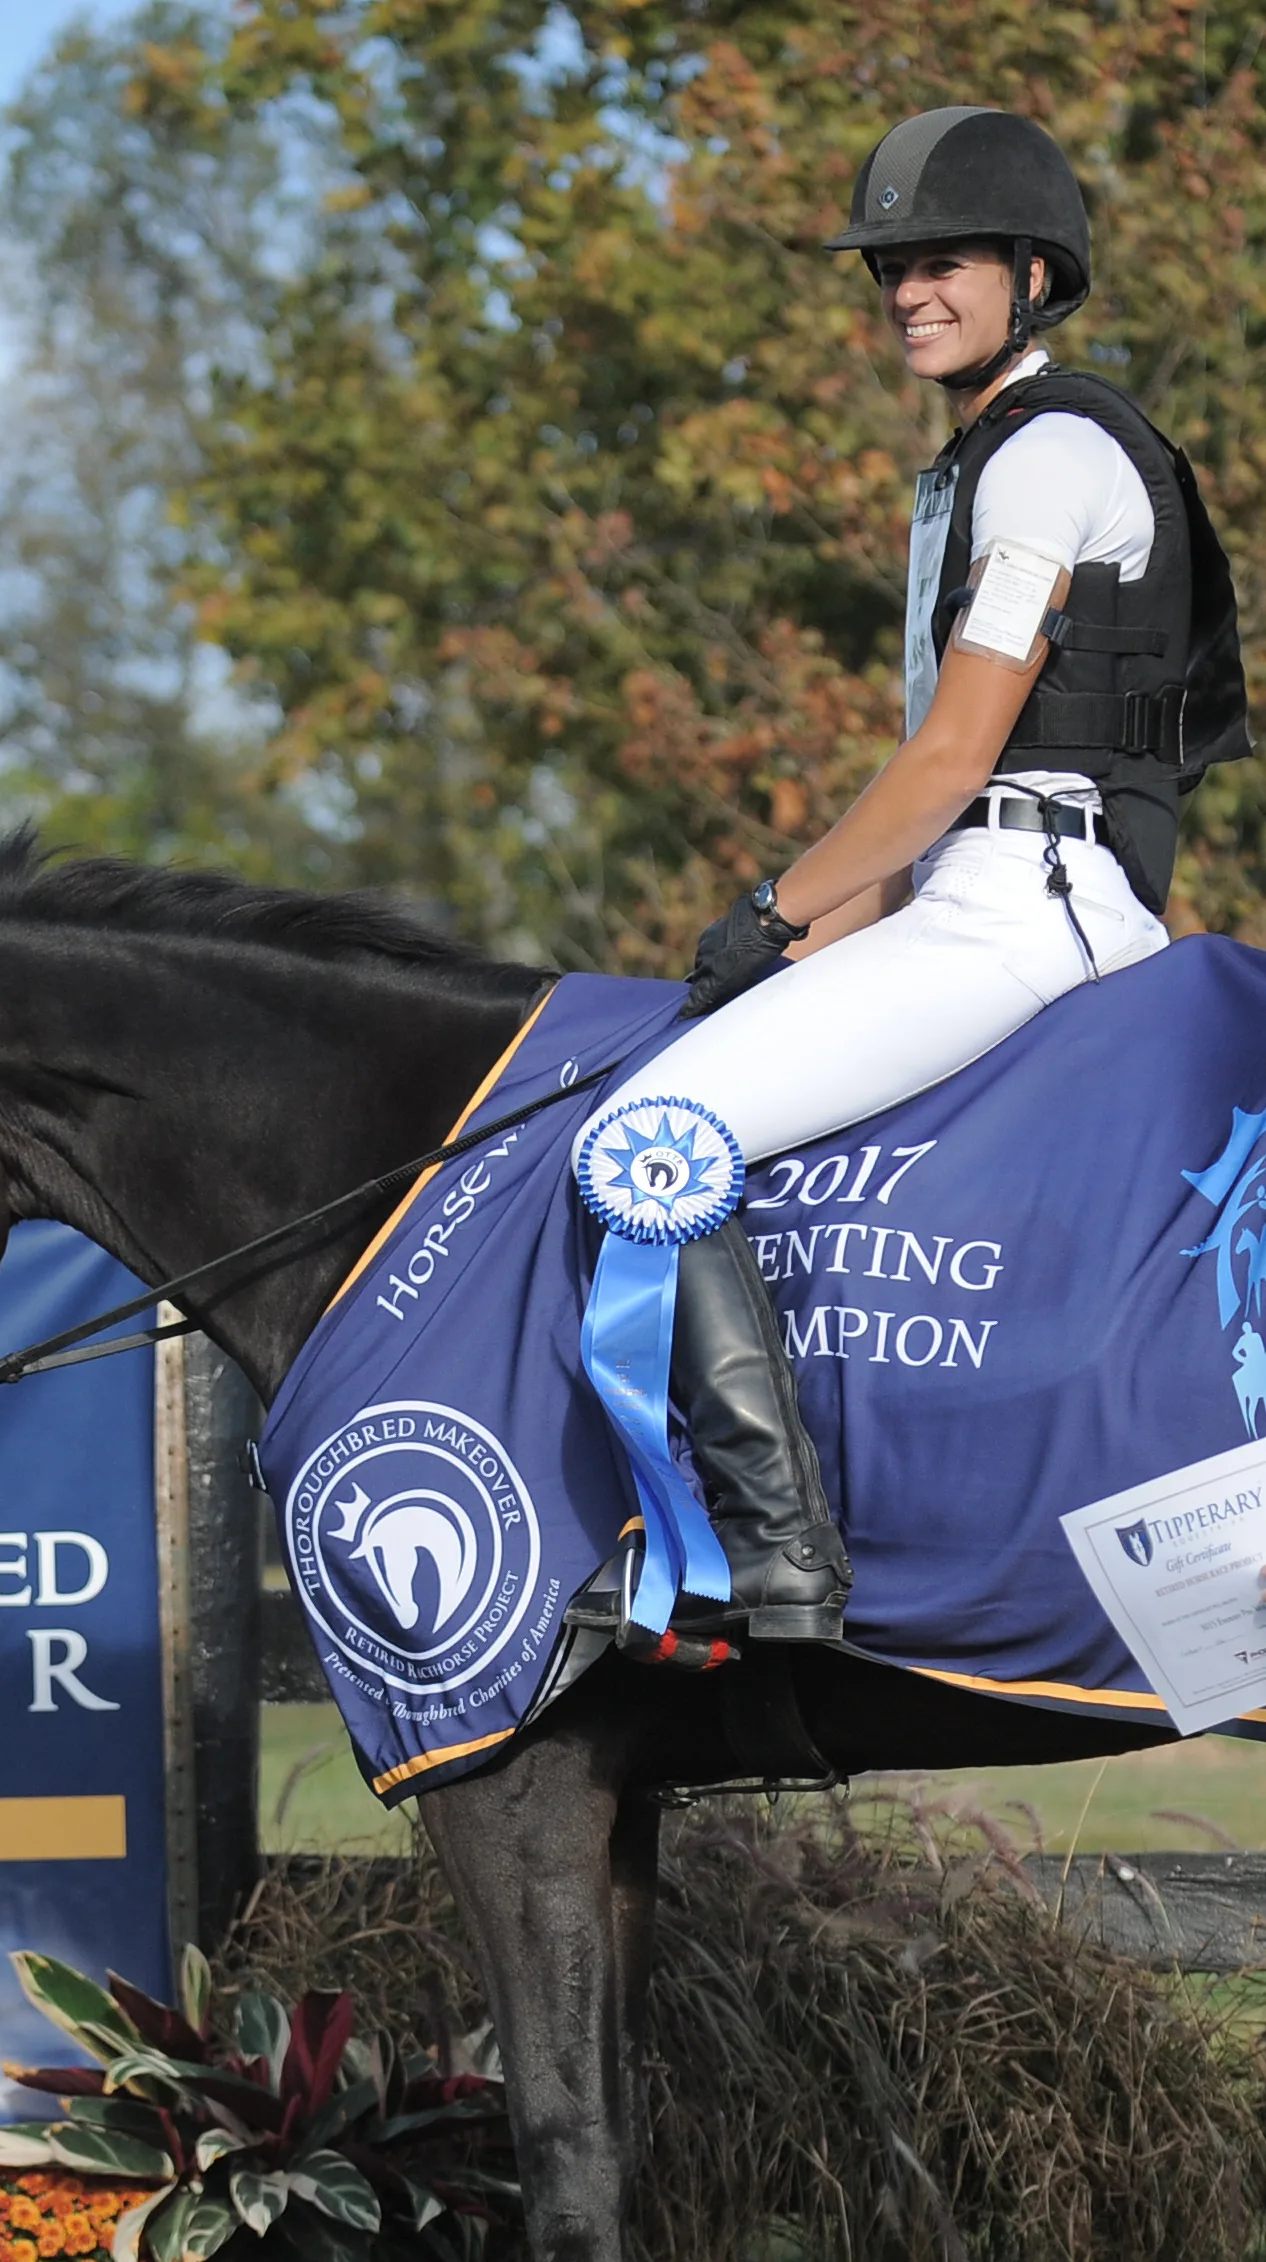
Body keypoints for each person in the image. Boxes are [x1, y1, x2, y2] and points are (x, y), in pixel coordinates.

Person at [576, 105, 1250, 1659]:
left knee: (646, 1140)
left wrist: (772, 908)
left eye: (940, 262)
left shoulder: (1050, 455)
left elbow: (948, 763)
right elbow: (928, 795)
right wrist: (812, 941)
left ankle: (770, 1562)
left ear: (1032, 273)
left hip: (1023, 902)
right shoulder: (971, 470)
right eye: (888, 268)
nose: (905, 291)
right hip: (976, 892)